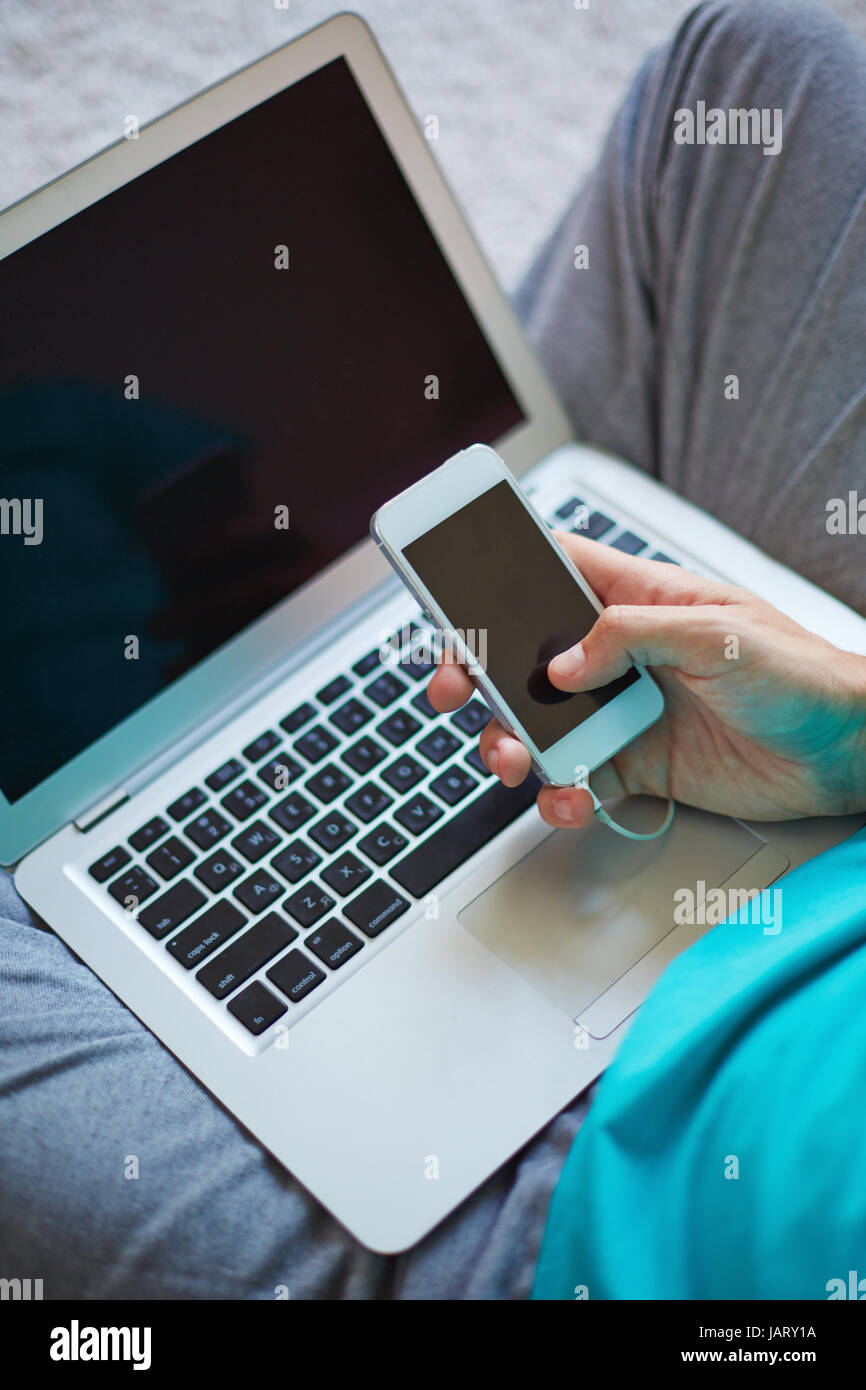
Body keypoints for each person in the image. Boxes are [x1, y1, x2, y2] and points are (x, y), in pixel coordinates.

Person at [1, 0, 864, 1299]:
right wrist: (851, 727)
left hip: (545, 1229)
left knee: (65, 793)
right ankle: (366, 541)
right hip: (833, 836)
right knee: (753, 60)